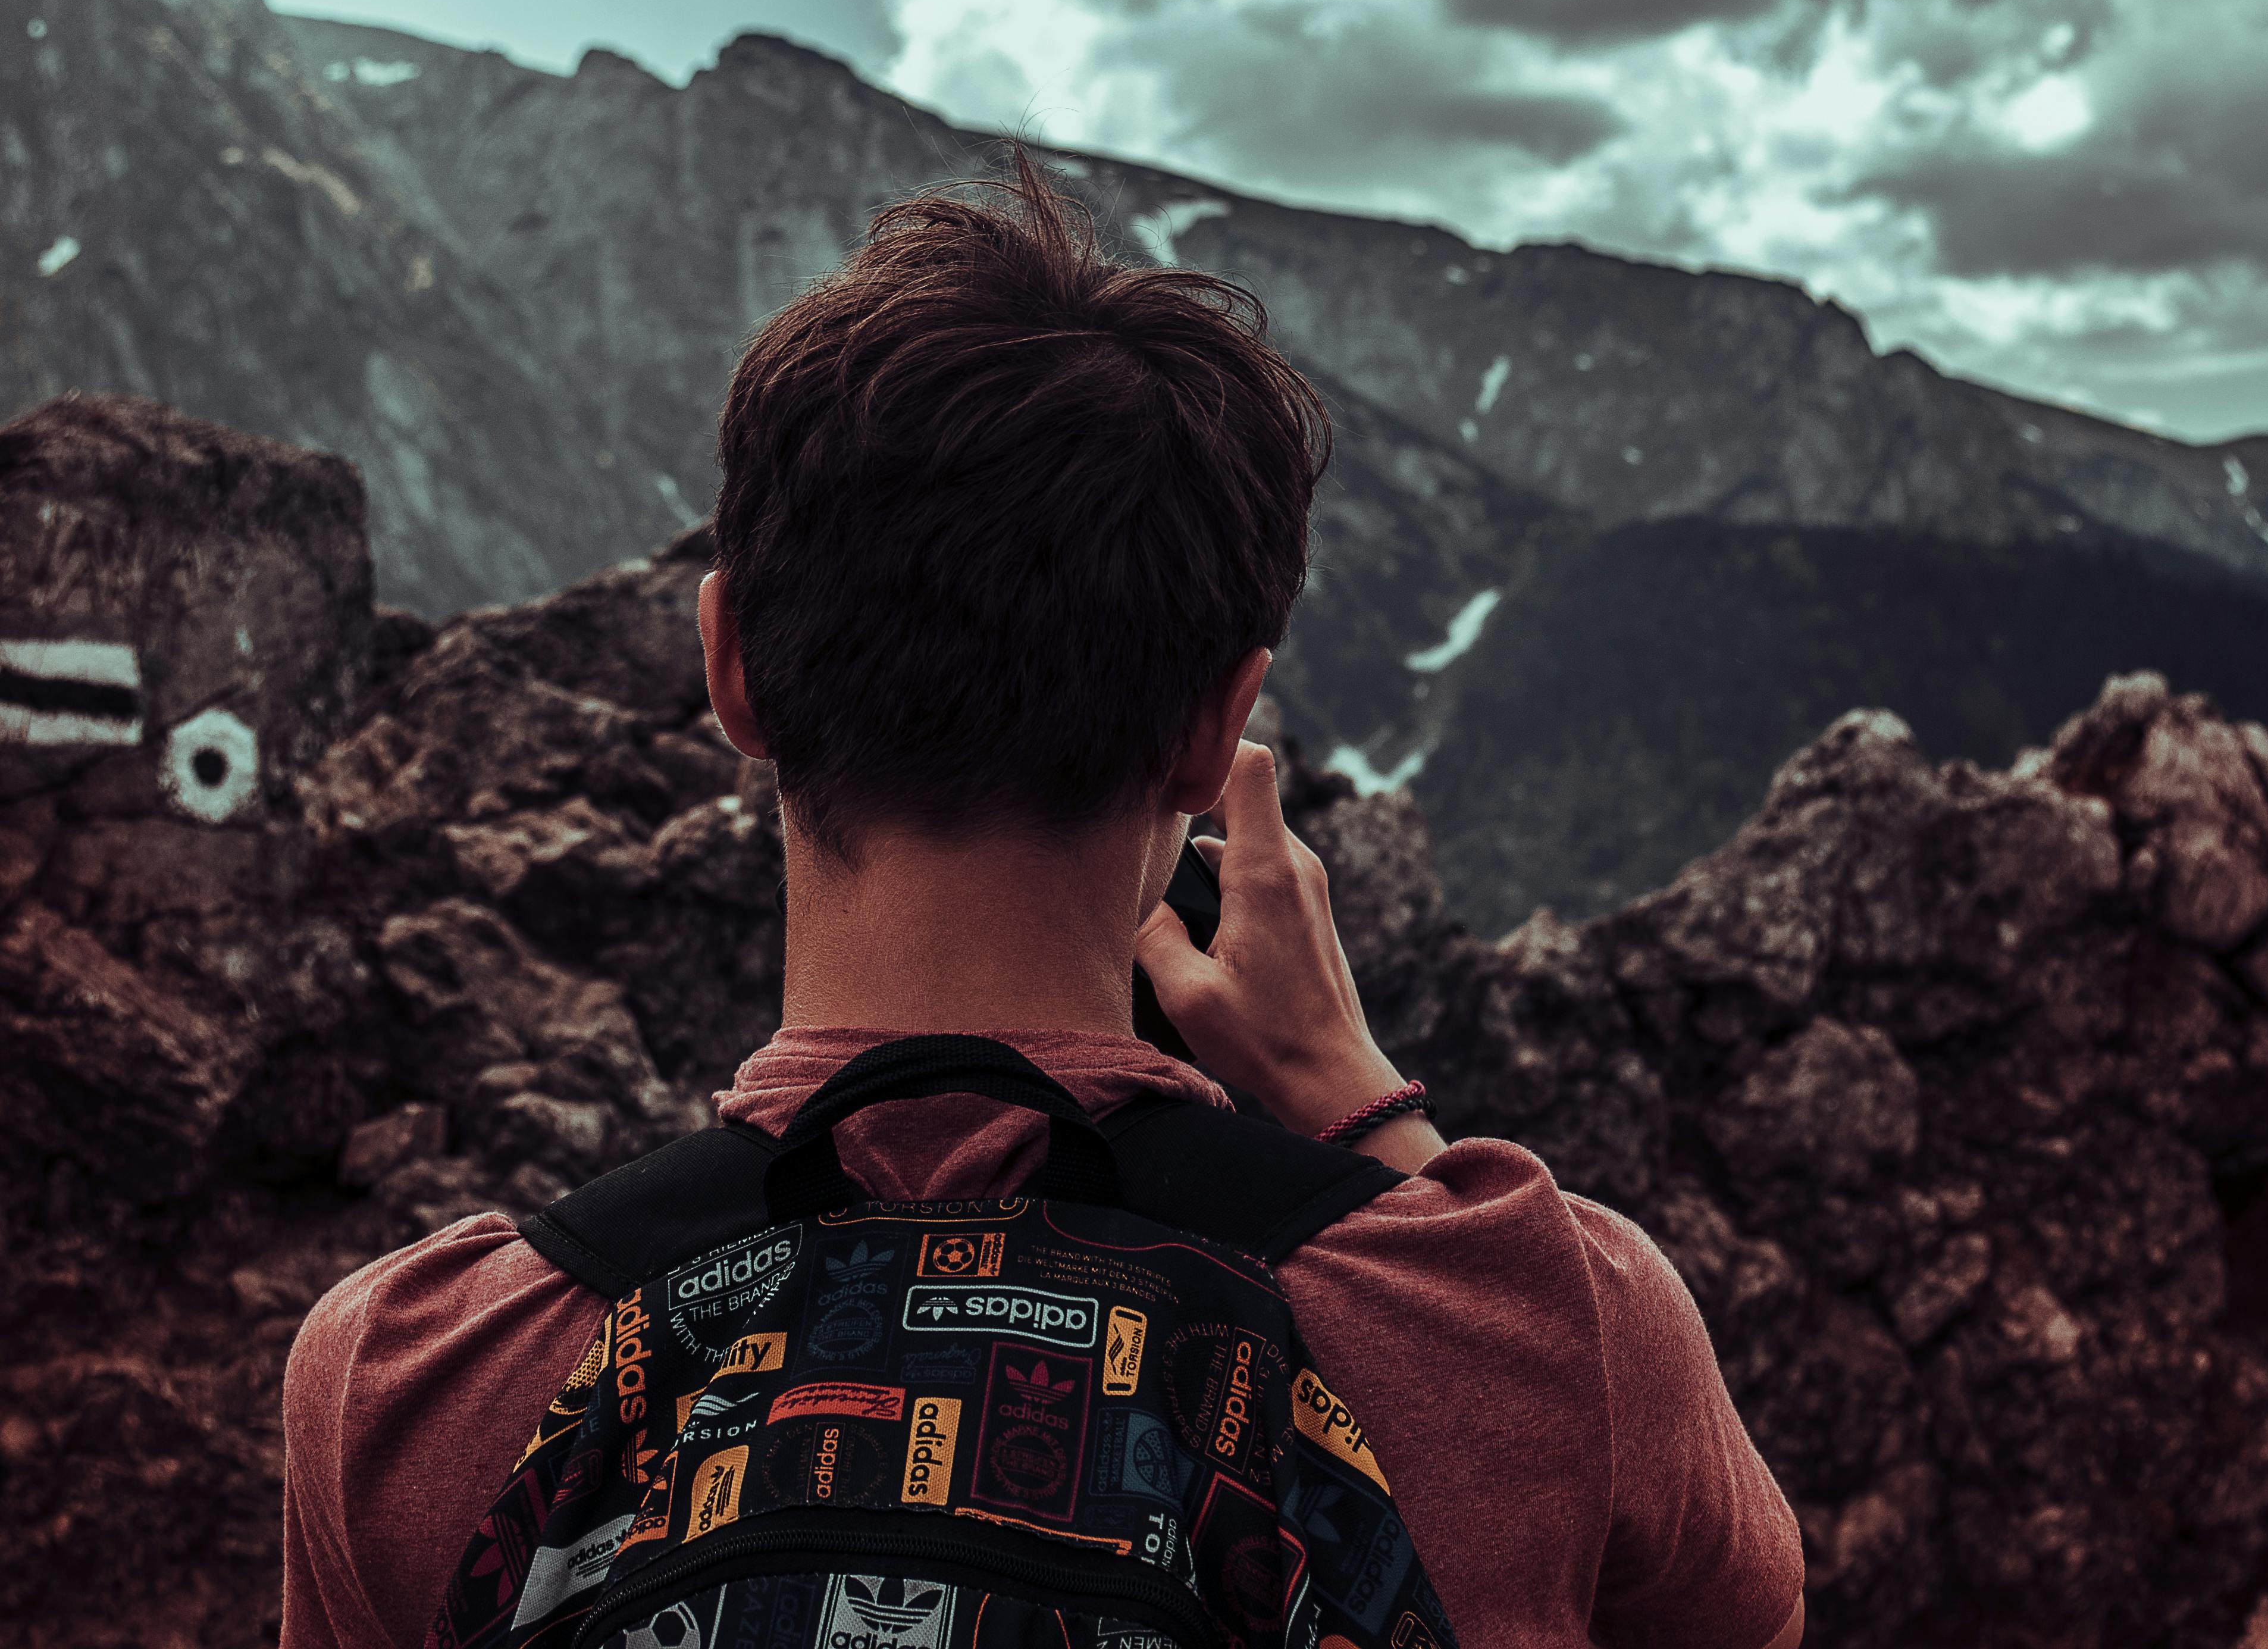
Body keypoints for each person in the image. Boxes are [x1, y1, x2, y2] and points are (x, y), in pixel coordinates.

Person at [280, 150, 1804, 1649]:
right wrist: (1362, 1108)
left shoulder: (407, 1374)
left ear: (730, 668)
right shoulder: (1535, 1335)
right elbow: (1736, 1612)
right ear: (1219, 732)